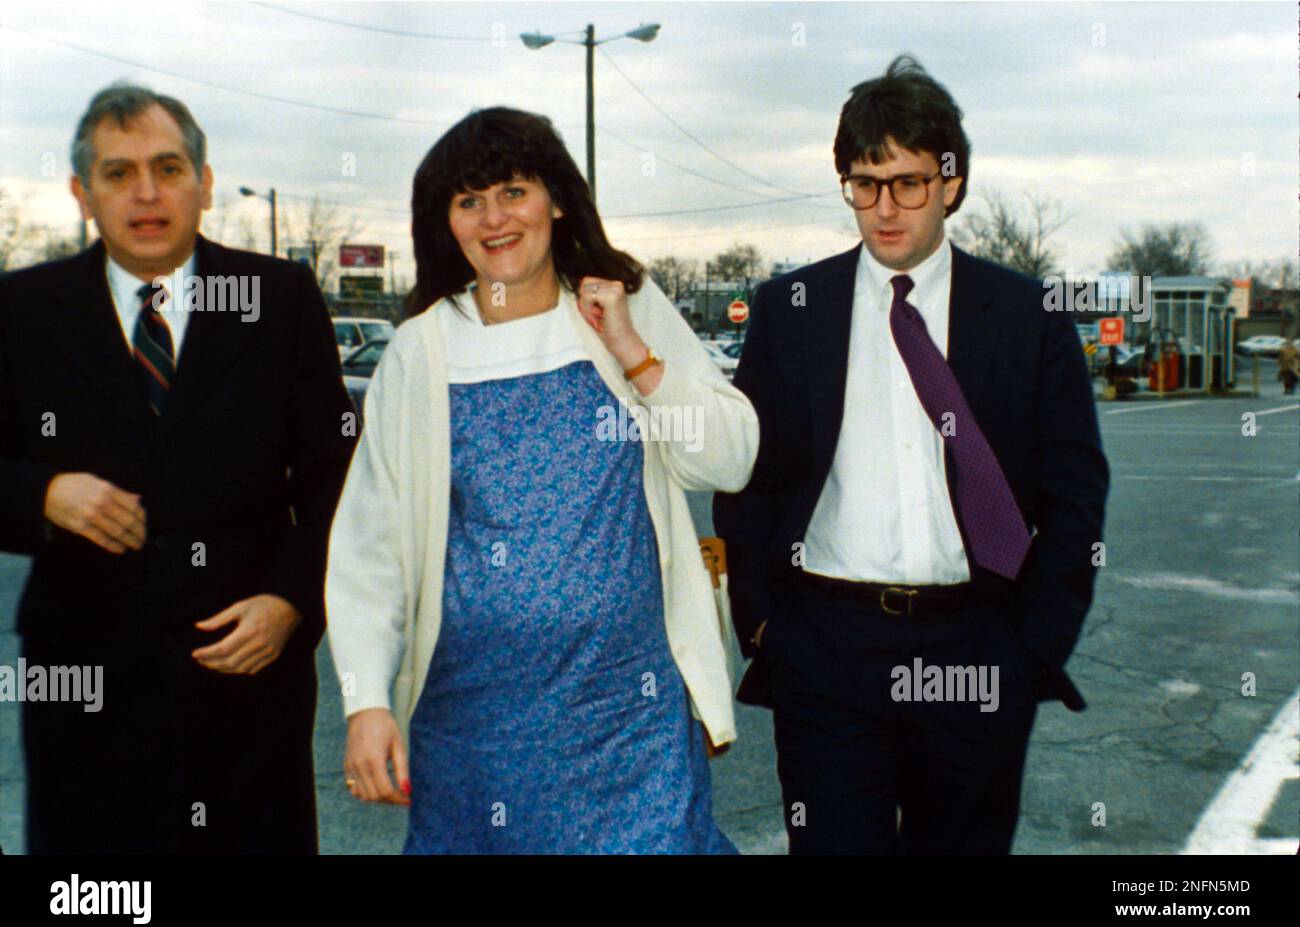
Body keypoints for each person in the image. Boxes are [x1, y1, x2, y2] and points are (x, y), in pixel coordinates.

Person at [325, 107, 758, 854]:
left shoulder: (623, 302)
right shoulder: (421, 352)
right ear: (447, 224)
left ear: (556, 198)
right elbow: (371, 546)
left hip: (630, 719)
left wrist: (630, 350)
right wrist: (367, 702)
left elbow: (728, 460)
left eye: (513, 191)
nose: (494, 218)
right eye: (469, 201)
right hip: (473, 728)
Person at [713, 55, 1109, 854]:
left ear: (952, 184)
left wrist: (1033, 646)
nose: (884, 209)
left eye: (908, 183)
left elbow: (1075, 490)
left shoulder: (1027, 316)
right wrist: (762, 626)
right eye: (864, 183)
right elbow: (747, 476)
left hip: (975, 644)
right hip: (827, 649)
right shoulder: (790, 313)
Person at [0, 84, 354, 852]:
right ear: (82, 193)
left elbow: (338, 478)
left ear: (205, 181)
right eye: (119, 173)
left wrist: (292, 603)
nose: (148, 193)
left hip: (247, 681)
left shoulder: (278, 298)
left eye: (167, 167)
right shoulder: (22, 308)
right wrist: (44, 492)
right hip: (82, 687)